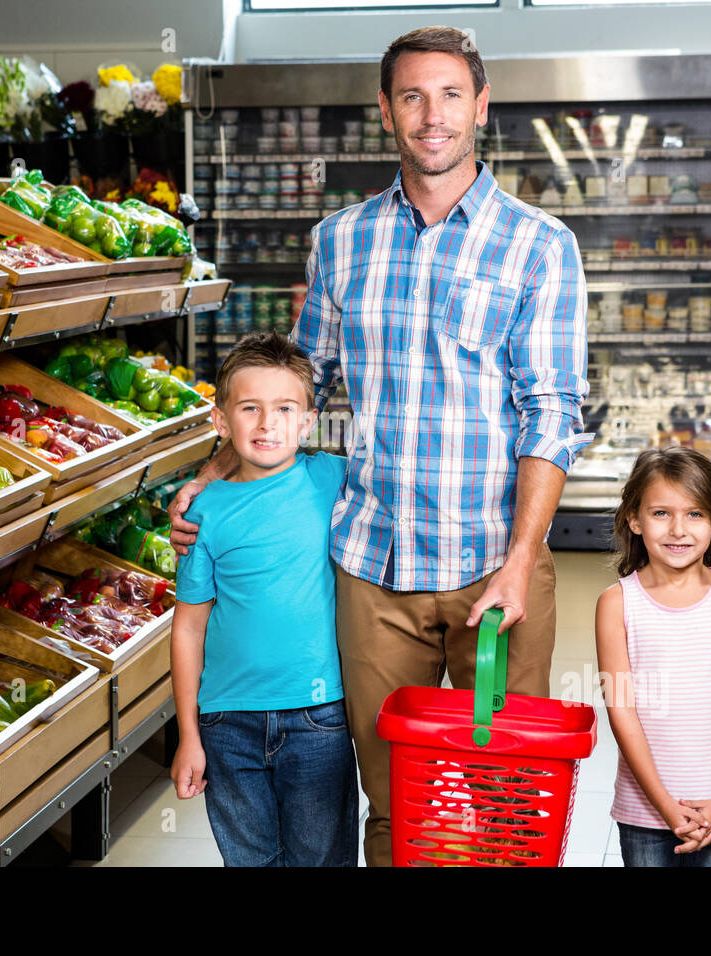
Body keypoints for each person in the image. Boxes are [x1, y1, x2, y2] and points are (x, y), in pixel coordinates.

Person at [169, 25, 591, 867]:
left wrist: (521, 559)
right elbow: (302, 380)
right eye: (411, 96)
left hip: (492, 571)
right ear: (386, 112)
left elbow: (552, 410)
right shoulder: (341, 239)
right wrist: (213, 473)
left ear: (480, 105)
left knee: (502, 795)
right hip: (371, 570)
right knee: (392, 798)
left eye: (449, 94)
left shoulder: (541, 245)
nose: (431, 116)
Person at [168, 332, 358, 867]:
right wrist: (188, 735)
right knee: (250, 860)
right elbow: (188, 628)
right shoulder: (205, 511)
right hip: (227, 723)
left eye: (284, 409)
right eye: (249, 408)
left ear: (308, 422)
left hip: (320, 715)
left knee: (322, 859)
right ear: (222, 423)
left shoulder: (334, 480)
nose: (267, 423)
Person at [594, 446, 711, 867]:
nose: (678, 530)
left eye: (695, 514)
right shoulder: (616, 605)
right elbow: (622, 710)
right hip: (645, 808)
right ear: (634, 519)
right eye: (661, 513)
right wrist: (665, 805)